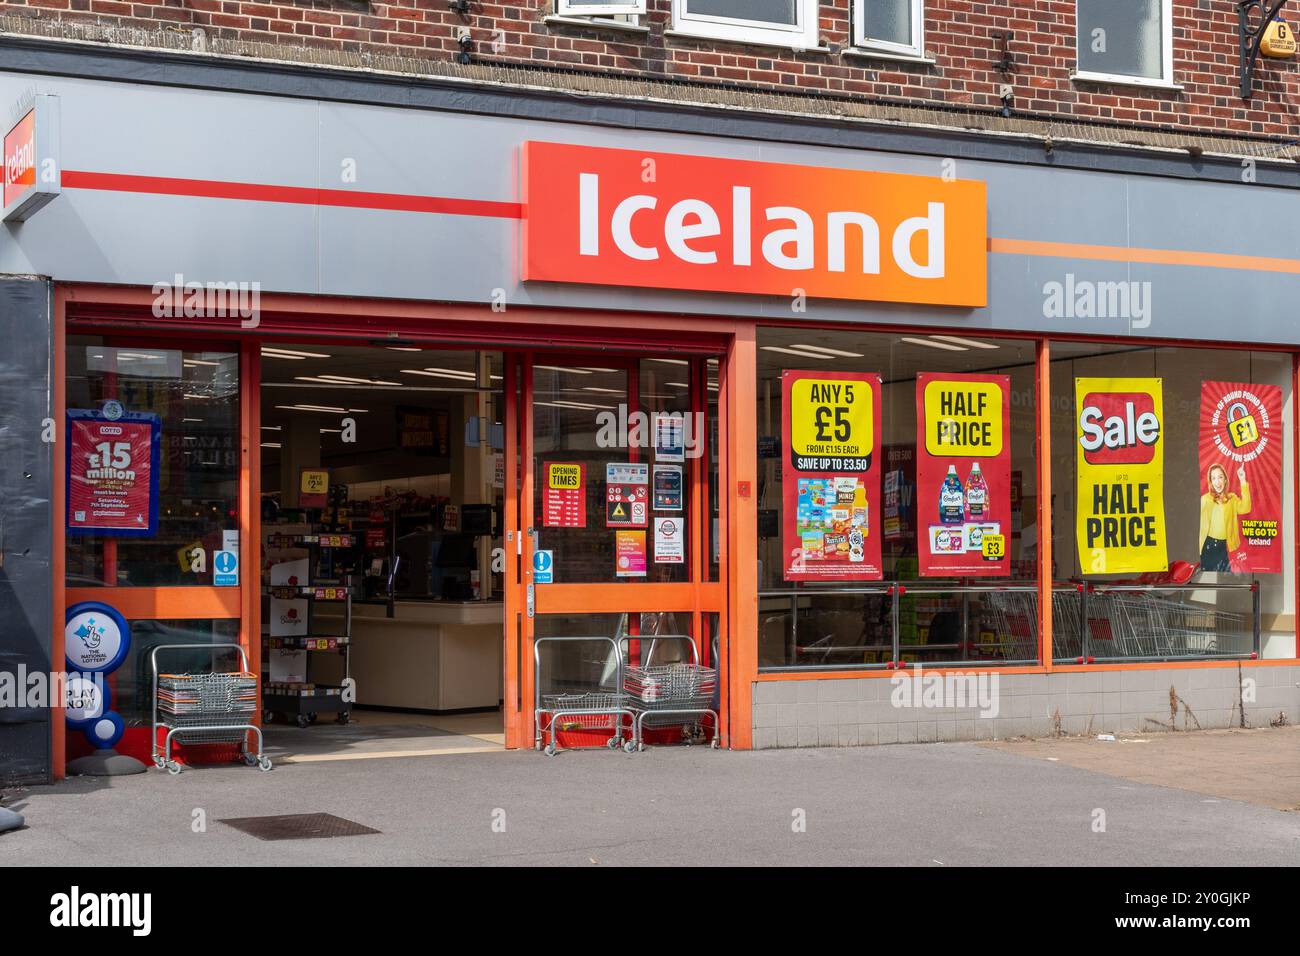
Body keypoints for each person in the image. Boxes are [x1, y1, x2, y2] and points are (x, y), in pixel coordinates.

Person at [1199, 464, 1250, 572]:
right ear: (1211, 482)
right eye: (1214, 478)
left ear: (1225, 480)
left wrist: (1243, 481)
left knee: (1226, 578)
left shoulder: (1231, 498)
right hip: (1208, 545)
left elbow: (1246, 508)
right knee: (1208, 578)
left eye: (1220, 477)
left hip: (1225, 546)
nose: (1217, 482)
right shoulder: (1205, 499)